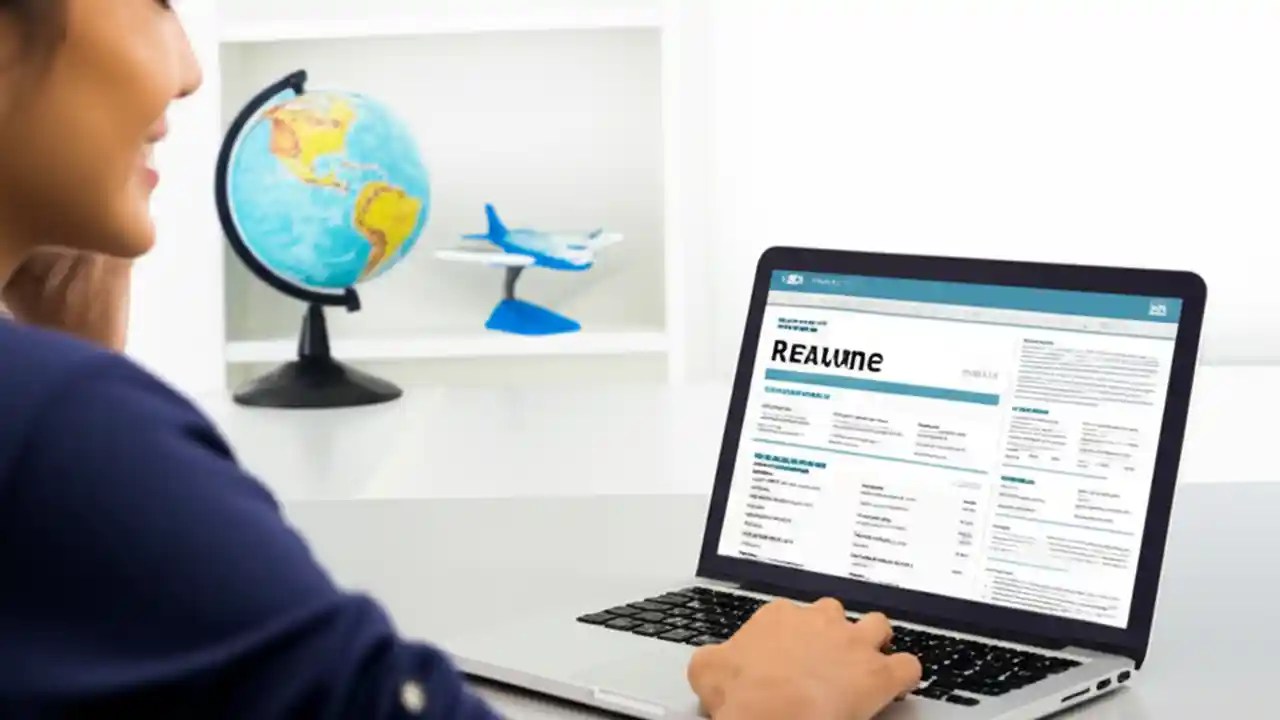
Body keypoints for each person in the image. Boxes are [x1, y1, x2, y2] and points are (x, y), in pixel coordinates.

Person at [0, 1, 922, 718]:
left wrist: (66, 356)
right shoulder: (65, 430)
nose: (193, 70)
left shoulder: (51, 423)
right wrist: (782, 702)